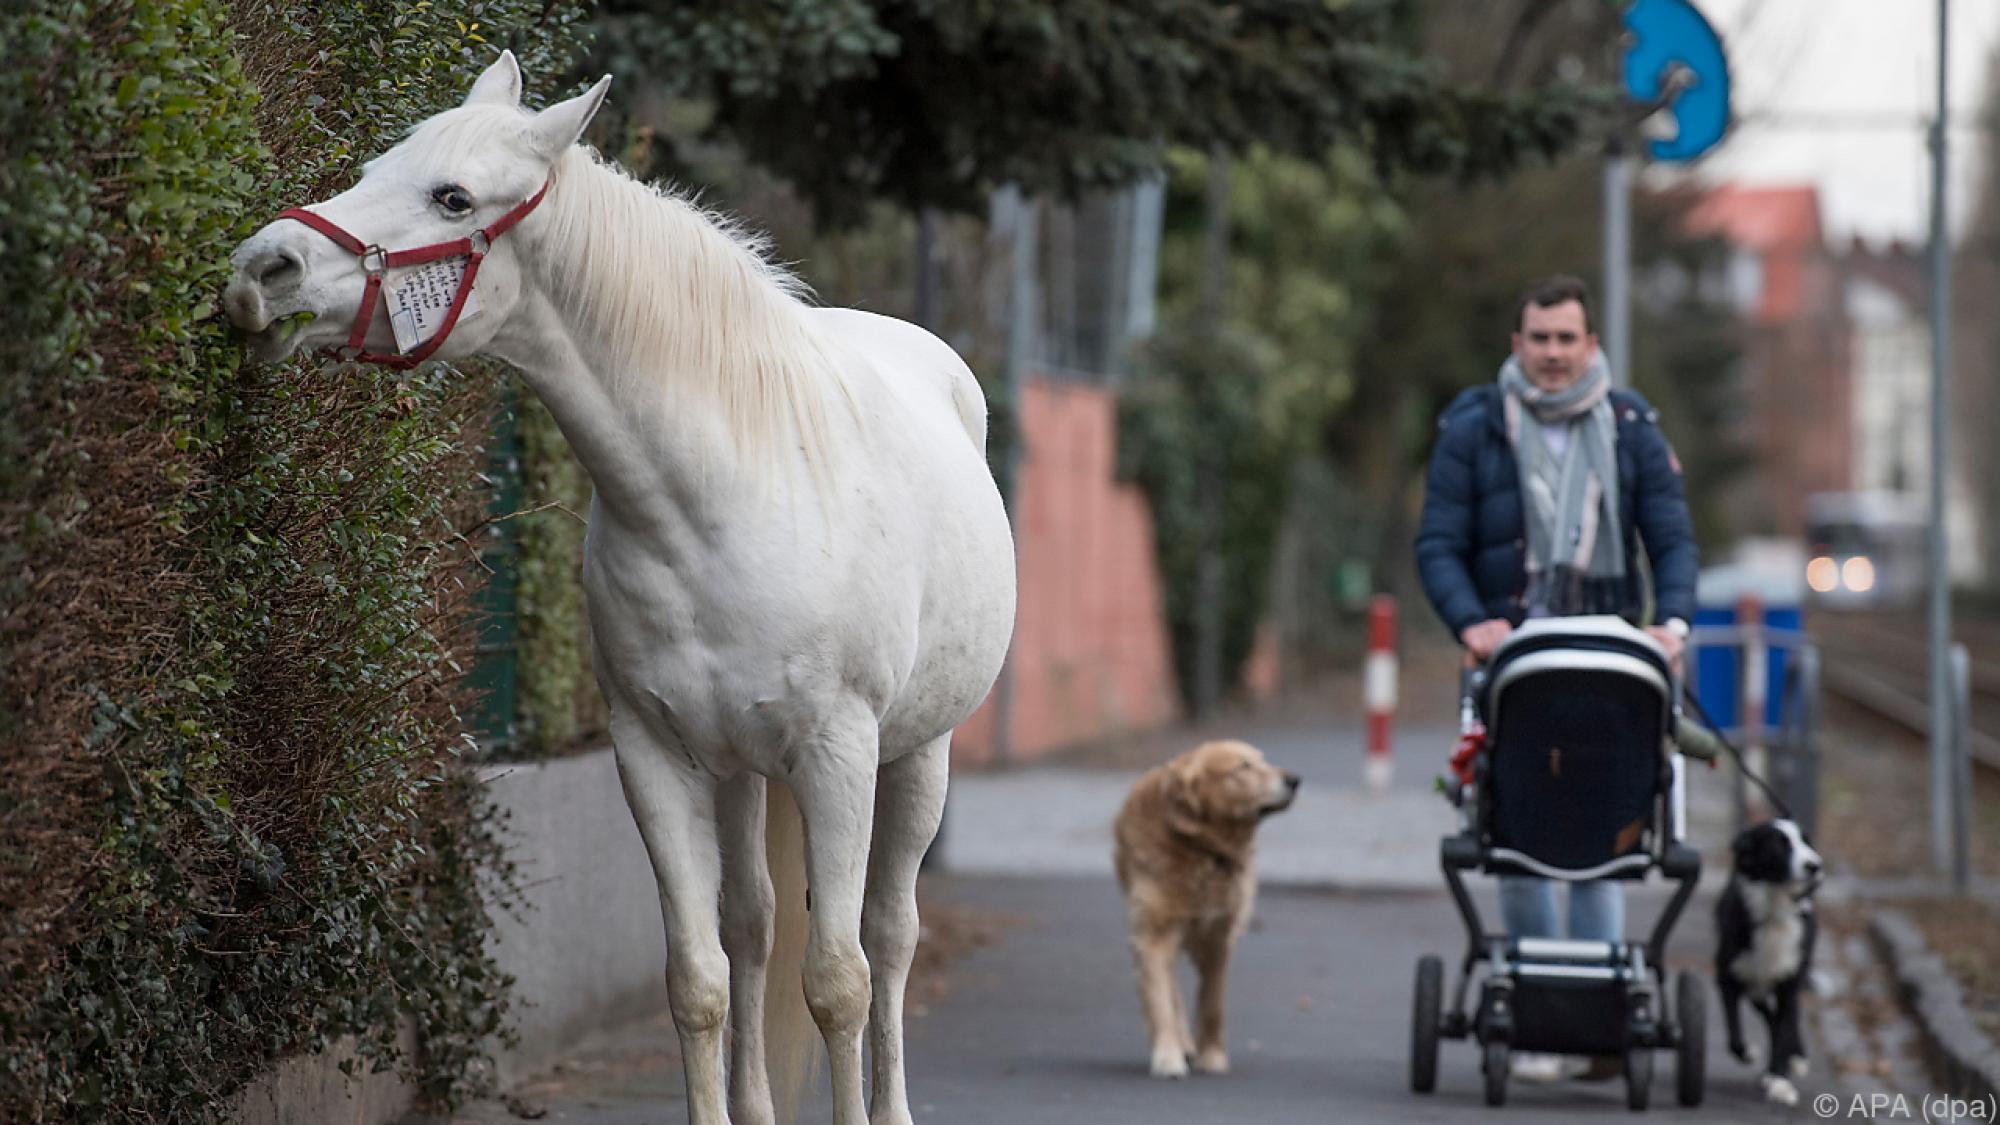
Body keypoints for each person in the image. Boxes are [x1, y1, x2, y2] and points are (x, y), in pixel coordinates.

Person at [1414, 275, 1698, 1080]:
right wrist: (1471, 621)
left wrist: (1672, 626)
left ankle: (1598, 1015)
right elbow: (1439, 541)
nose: (1552, 353)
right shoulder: (1473, 427)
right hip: (1515, 662)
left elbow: (1673, 539)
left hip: (1609, 664)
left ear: (1590, 344)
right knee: (1517, 827)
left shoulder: (1632, 427)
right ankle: (1540, 1014)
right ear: (1517, 344)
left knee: (1605, 825)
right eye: (1538, 338)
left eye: (1566, 338)